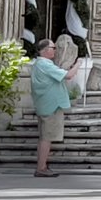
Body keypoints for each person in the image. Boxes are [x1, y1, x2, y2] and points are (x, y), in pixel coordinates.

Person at [28, 40, 79, 177]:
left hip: (46, 105)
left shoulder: (40, 64)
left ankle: (42, 165)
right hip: (50, 106)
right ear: (45, 50)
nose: (55, 50)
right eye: (53, 48)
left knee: (44, 137)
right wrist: (78, 65)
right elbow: (68, 76)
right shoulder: (44, 64)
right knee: (47, 137)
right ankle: (41, 167)